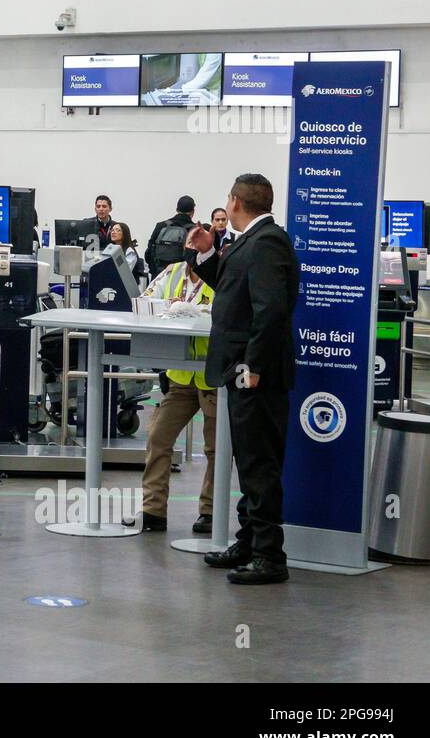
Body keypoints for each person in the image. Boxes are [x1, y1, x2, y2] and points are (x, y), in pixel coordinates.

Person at [185, 173, 299, 585]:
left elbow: (270, 311)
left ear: (235, 202)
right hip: (243, 370)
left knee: (259, 463)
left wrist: (253, 366)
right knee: (248, 459)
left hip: (254, 373)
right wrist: (209, 253)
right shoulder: (252, 241)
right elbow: (237, 291)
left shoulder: (266, 242)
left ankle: (270, 556)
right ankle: (250, 540)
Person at [124, 259, 217, 533]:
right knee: (158, 436)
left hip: (212, 376)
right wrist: (170, 308)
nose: (194, 249)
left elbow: (228, 312)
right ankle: (153, 510)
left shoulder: (223, 272)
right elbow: (145, 301)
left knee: (216, 449)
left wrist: (191, 310)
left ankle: (210, 512)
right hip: (180, 376)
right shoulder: (173, 271)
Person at [145, 195, 197, 276]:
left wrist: (155, 272)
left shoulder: (161, 226)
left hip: (160, 275)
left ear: (177, 209)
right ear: (193, 211)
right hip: (182, 277)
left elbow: (148, 253)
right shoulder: (194, 230)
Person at [108, 221, 146, 286]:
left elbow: (125, 272)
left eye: (118, 230)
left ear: (124, 234)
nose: (113, 232)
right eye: (112, 230)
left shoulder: (129, 251)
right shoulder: (110, 249)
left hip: (126, 286)